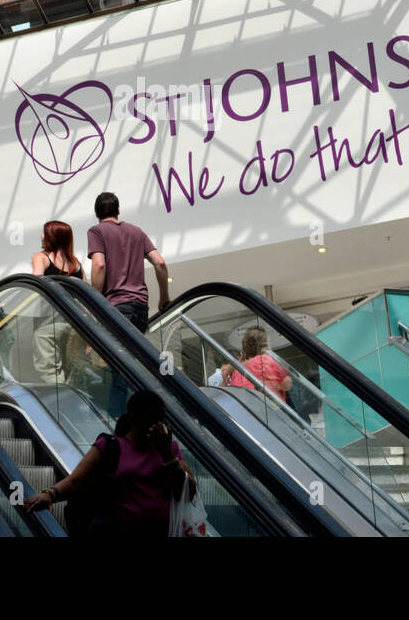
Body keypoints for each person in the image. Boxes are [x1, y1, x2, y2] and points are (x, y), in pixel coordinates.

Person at [23, 389, 195, 538]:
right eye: (152, 418)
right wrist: (50, 494)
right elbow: (75, 480)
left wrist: (167, 454)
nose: (158, 425)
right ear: (135, 417)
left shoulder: (169, 447)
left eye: (161, 419)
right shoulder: (110, 446)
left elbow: (188, 492)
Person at [86, 192, 170, 333]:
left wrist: (94, 301)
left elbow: (99, 265)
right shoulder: (137, 232)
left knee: (115, 353)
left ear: (96, 214)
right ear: (118, 210)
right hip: (141, 307)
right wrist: (164, 297)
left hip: (115, 306)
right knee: (135, 354)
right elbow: (159, 263)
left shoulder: (96, 231)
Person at [32, 221, 83, 380]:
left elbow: (36, 281)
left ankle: (62, 402)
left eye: (45, 234)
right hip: (74, 325)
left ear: (52, 237)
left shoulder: (42, 257)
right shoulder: (76, 264)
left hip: (48, 324)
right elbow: (84, 294)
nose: (41, 237)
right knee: (70, 370)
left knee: (51, 372)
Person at [226, 326, 293, 404]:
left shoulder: (238, 370)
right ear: (263, 343)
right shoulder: (265, 360)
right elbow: (287, 384)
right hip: (269, 410)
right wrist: (275, 386)